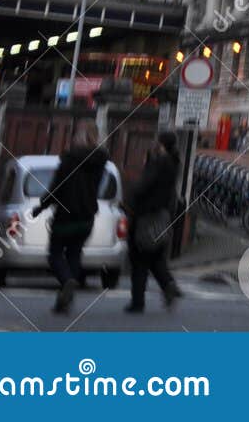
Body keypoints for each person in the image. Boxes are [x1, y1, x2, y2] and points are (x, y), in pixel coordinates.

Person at [32, 120, 109, 313]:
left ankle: (67, 281)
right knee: (74, 253)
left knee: (55, 254)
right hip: (87, 216)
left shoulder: (69, 159)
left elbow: (57, 187)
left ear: (79, 137)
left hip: (66, 216)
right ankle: (65, 298)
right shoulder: (100, 160)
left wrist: (41, 206)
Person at [124, 132, 183, 313]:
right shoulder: (174, 163)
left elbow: (144, 186)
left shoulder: (158, 164)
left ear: (161, 144)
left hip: (146, 216)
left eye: (156, 141)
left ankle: (138, 301)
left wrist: (129, 199)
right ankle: (168, 285)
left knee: (139, 258)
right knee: (155, 256)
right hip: (162, 216)